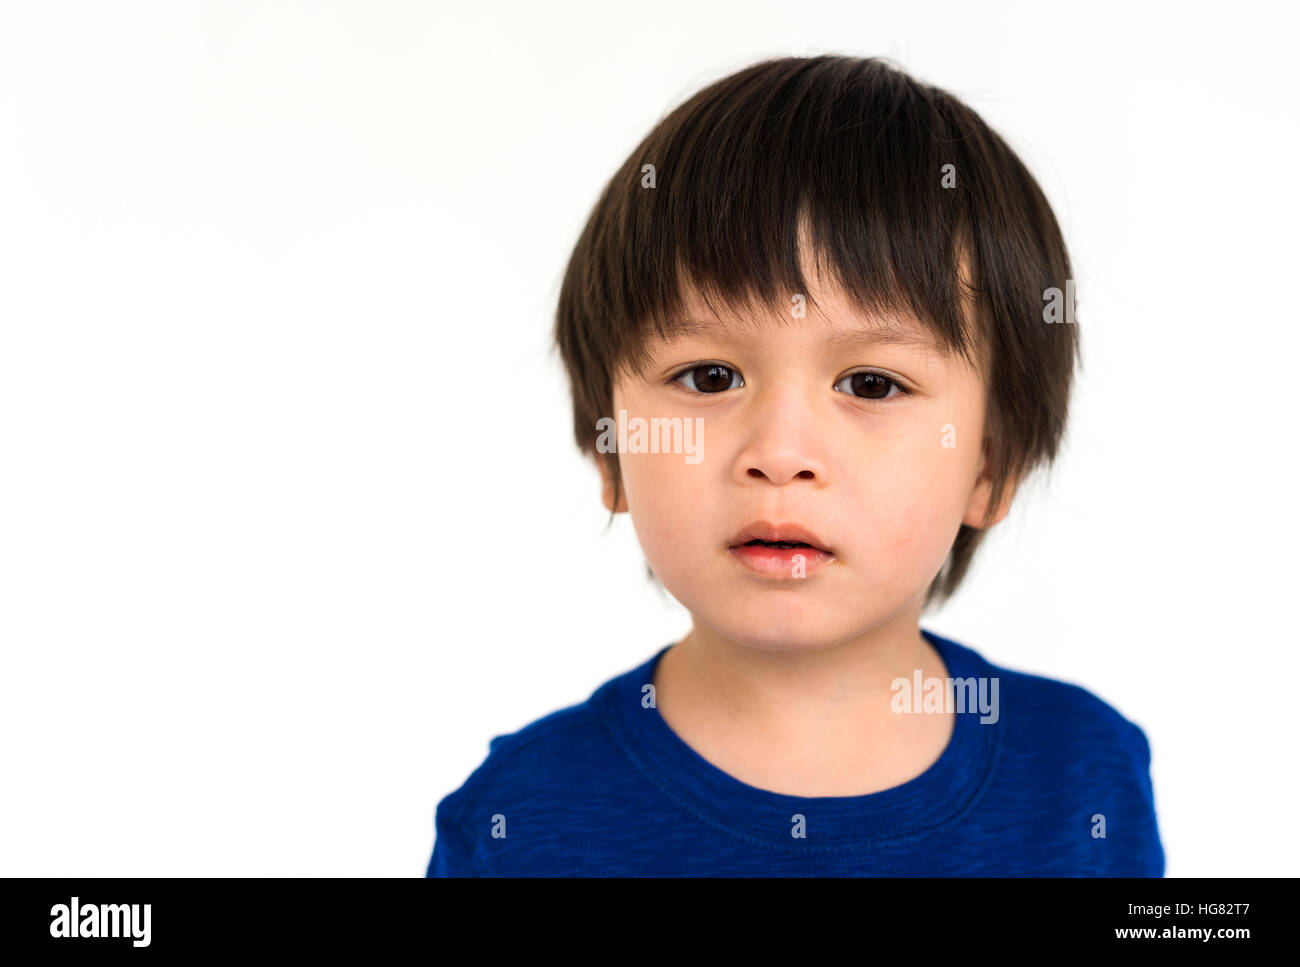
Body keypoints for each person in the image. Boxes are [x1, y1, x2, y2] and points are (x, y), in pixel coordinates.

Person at [427, 54, 1163, 876]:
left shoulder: (1082, 778)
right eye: (708, 377)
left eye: (872, 383)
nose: (778, 453)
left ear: (990, 467)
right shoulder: (519, 818)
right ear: (611, 450)